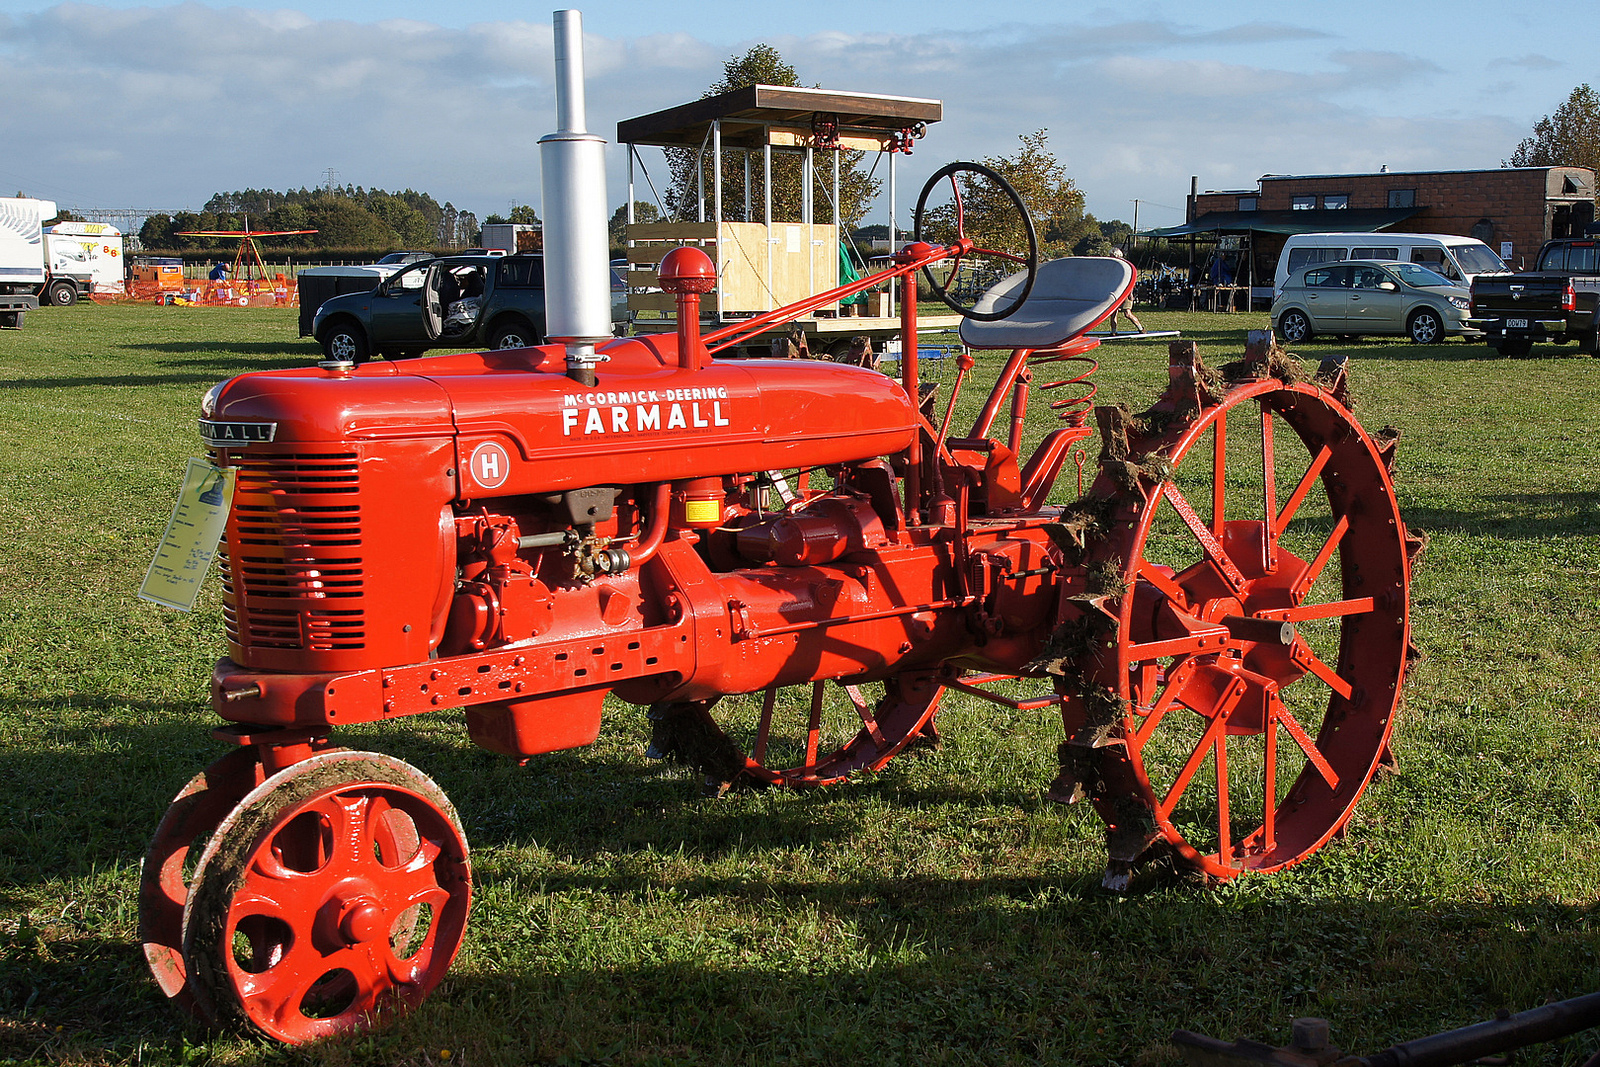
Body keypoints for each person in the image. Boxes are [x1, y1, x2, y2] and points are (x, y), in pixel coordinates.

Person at [1110, 248, 1145, 334]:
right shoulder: (1113, 267)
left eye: (1112, 256)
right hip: (1116, 292)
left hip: (1126, 292)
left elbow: (1130, 280)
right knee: (1113, 313)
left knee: (1127, 314)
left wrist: (1130, 293)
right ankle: (1113, 332)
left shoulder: (1125, 266)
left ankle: (1141, 329)